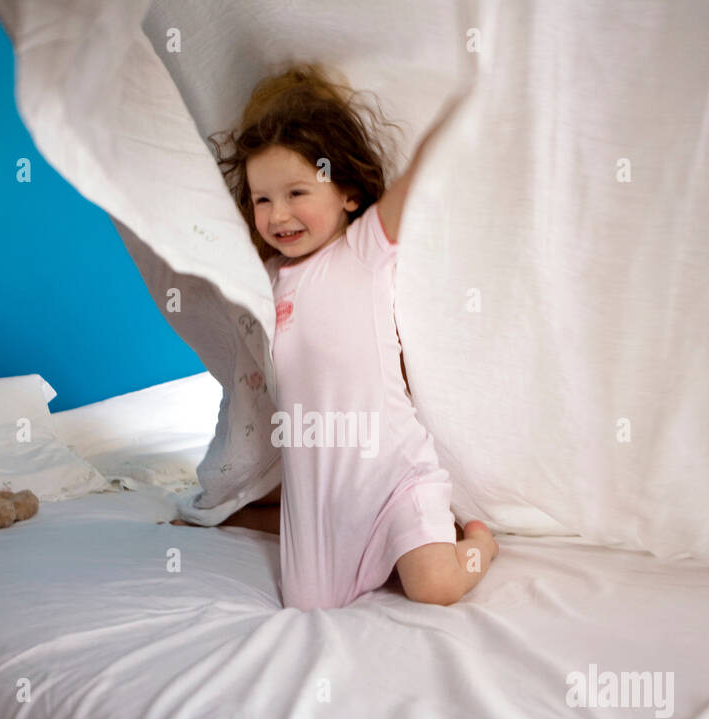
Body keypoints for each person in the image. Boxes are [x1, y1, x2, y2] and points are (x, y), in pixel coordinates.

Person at [182, 63, 497, 609]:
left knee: (435, 586)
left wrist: (462, 104)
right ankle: (231, 513)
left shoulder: (364, 251)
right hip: (320, 492)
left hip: (394, 472)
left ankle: (479, 545)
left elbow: (419, 176)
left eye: (296, 192)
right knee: (309, 602)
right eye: (261, 199)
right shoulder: (269, 280)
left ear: (348, 193)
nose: (278, 214)